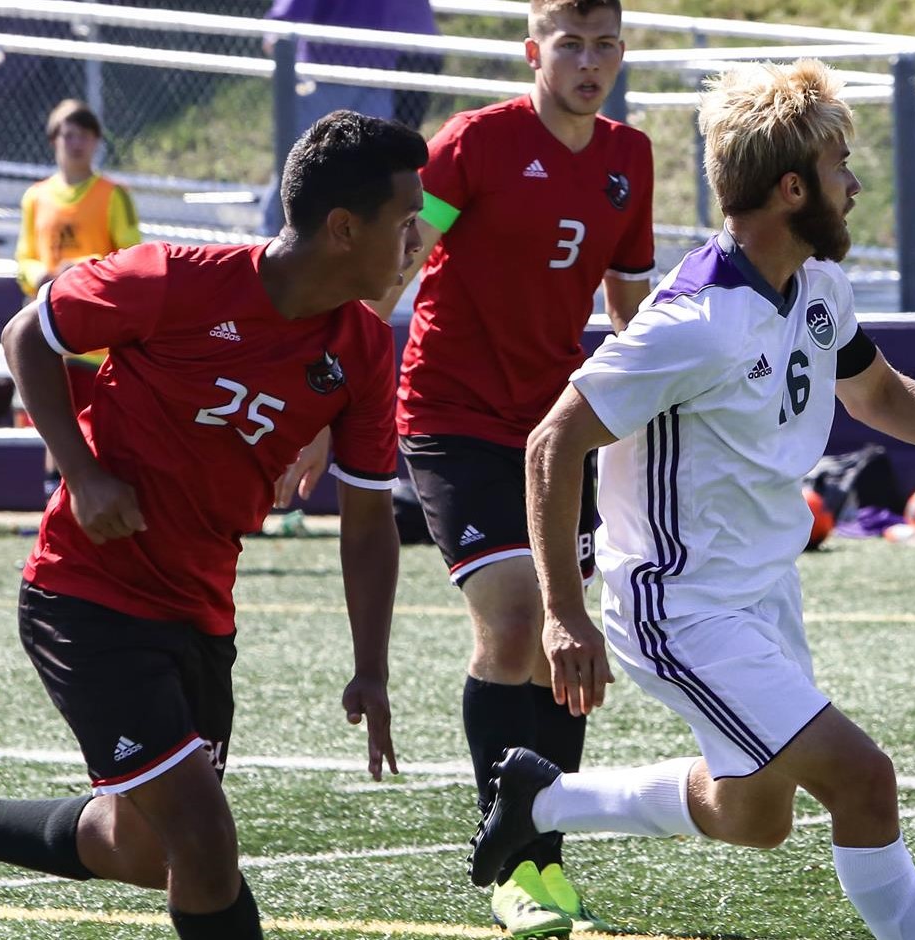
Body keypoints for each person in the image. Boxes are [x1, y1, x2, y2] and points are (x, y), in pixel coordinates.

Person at [468, 60, 915, 940]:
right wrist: (564, 615)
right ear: (792, 189)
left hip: (761, 591)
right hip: (677, 606)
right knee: (864, 781)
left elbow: (873, 389)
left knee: (754, 815)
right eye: (839, 169)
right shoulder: (694, 322)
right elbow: (551, 442)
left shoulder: (816, 284)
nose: (855, 184)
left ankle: (543, 799)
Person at [0, 111, 425, 939]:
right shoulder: (175, 279)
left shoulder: (365, 350)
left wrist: (371, 668)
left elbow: (370, 518)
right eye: (406, 220)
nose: (419, 239)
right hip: (87, 592)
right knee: (203, 844)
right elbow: (29, 334)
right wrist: (83, 475)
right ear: (344, 230)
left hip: (199, 611)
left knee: (147, 852)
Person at [274, 1, 654, 934]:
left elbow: (632, 313)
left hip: (557, 434)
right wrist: (322, 399)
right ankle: (508, 867)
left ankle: (543, 862)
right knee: (523, 617)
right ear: (534, 52)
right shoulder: (475, 146)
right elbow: (390, 269)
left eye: (605, 45)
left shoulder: (629, 160)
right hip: (451, 421)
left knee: (568, 647)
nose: (589, 62)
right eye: (570, 44)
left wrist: (650, 424)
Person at [15, 99, 142, 497]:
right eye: (68, 134)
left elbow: (131, 255)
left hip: (98, 341)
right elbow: (24, 259)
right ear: (54, 140)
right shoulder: (36, 197)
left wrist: (86, 268)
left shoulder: (112, 194)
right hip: (51, 333)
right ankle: (54, 515)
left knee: (98, 433)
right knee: (55, 430)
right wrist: (42, 275)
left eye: (84, 135)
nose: (76, 143)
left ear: (96, 142)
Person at [261, 0, 439, 234]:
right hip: (328, 76)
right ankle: (270, 240)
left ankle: (351, 243)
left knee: (372, 166)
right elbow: (282, 23)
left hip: (377, 77)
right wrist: (281, 46)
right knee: (305, 163)